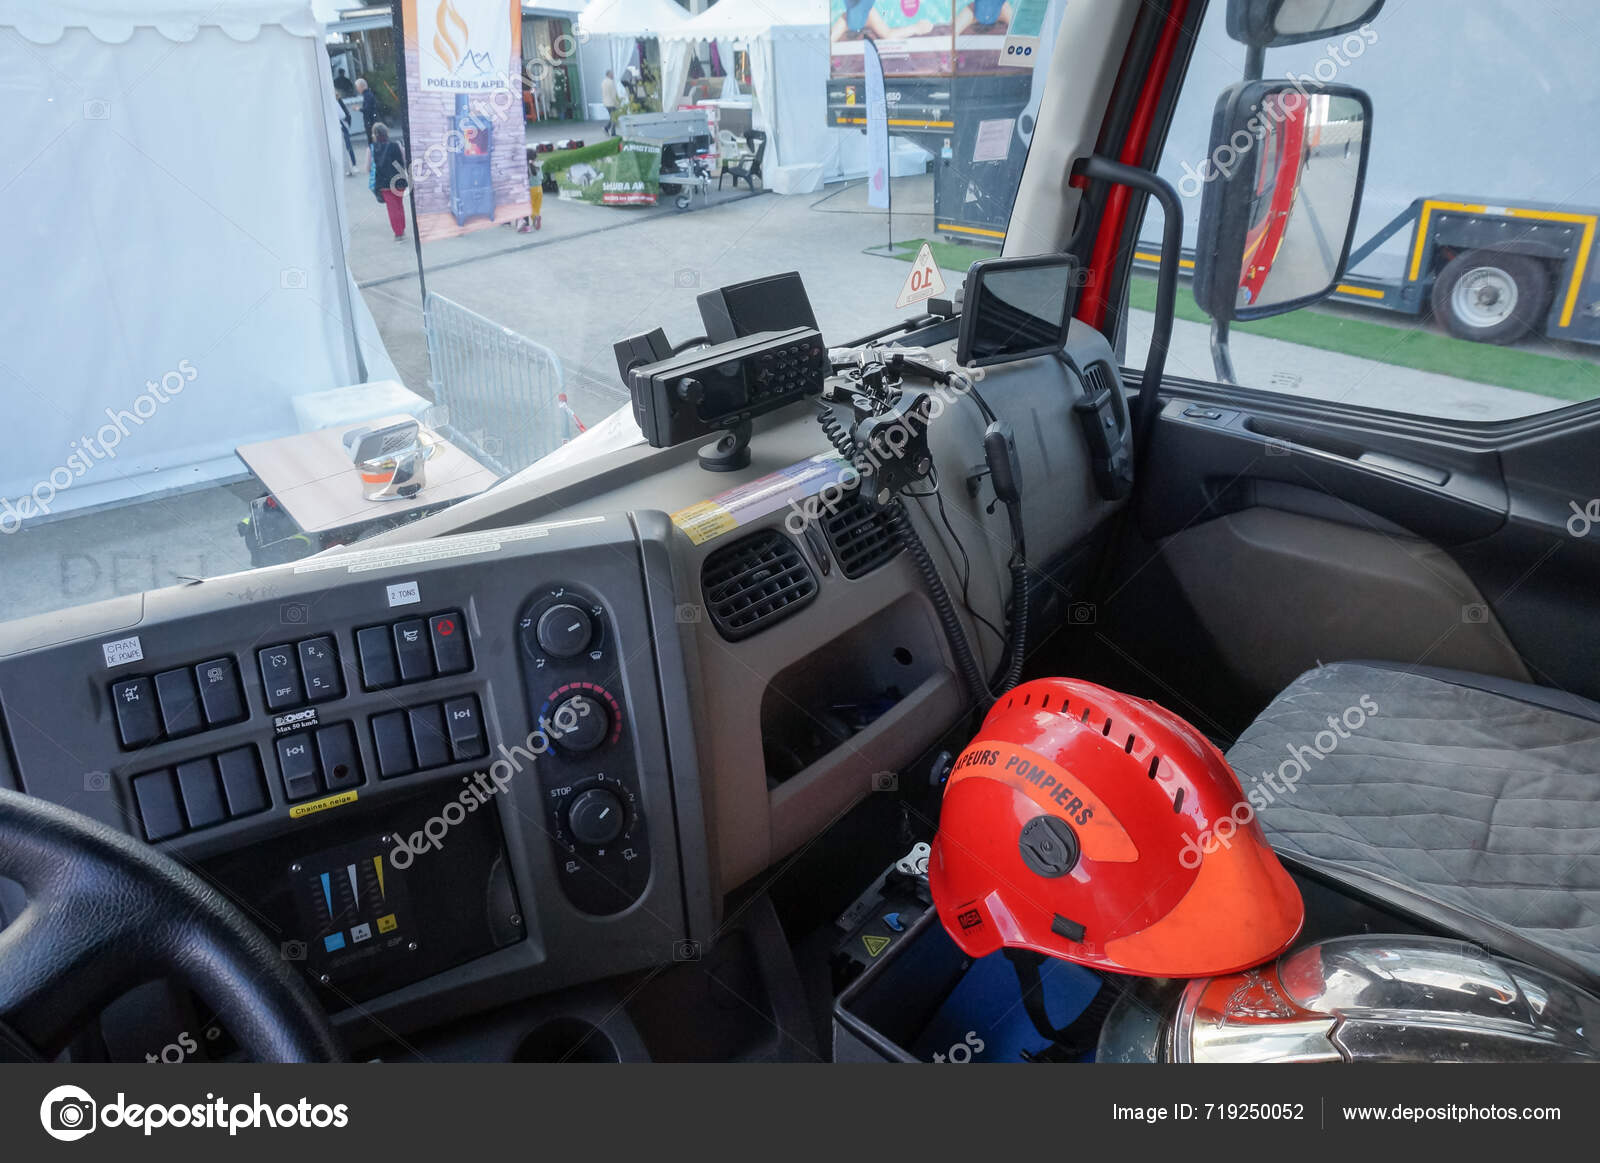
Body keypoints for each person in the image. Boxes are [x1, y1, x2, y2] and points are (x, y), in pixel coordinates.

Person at [369, 123, 409, 241]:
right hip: (398, 181)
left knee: (392, 208)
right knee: (399, 206)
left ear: (375, 135)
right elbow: (403, 161)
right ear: (387, 133)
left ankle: (398, 233)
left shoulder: (372, 148)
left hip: (383, 183)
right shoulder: (396, 145)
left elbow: (368, 168)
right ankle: (402, 228)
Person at [336, 94, 357, 176]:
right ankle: (351, 166)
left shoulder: (337, 102)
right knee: (347, 147)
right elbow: (345, 114)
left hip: (341, 126)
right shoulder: (337, 102)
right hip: (342, 126)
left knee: (346, 147)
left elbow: (344, 115)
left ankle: (351, 166)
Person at [356, 77, 377, 147]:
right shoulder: (368, 94)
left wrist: (359, 108)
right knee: (373, 140)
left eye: (357, 87)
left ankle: (373, 154)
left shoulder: (367, 95)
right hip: (371, 120)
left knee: (372, 140)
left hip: (370, 121)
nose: (357, 89)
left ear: (361, 86)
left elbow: (367, 109)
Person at [601, 69, 619, 136]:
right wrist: (617, 103)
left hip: (606, 103)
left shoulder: (603, 82)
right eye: (612, 74)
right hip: (612, 103)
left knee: (612, 117)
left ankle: (607, 128)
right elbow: (613, 94)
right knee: (614, 117)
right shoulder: (611, 82)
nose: (613, 75)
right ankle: (612, 131)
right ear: (609, 74)